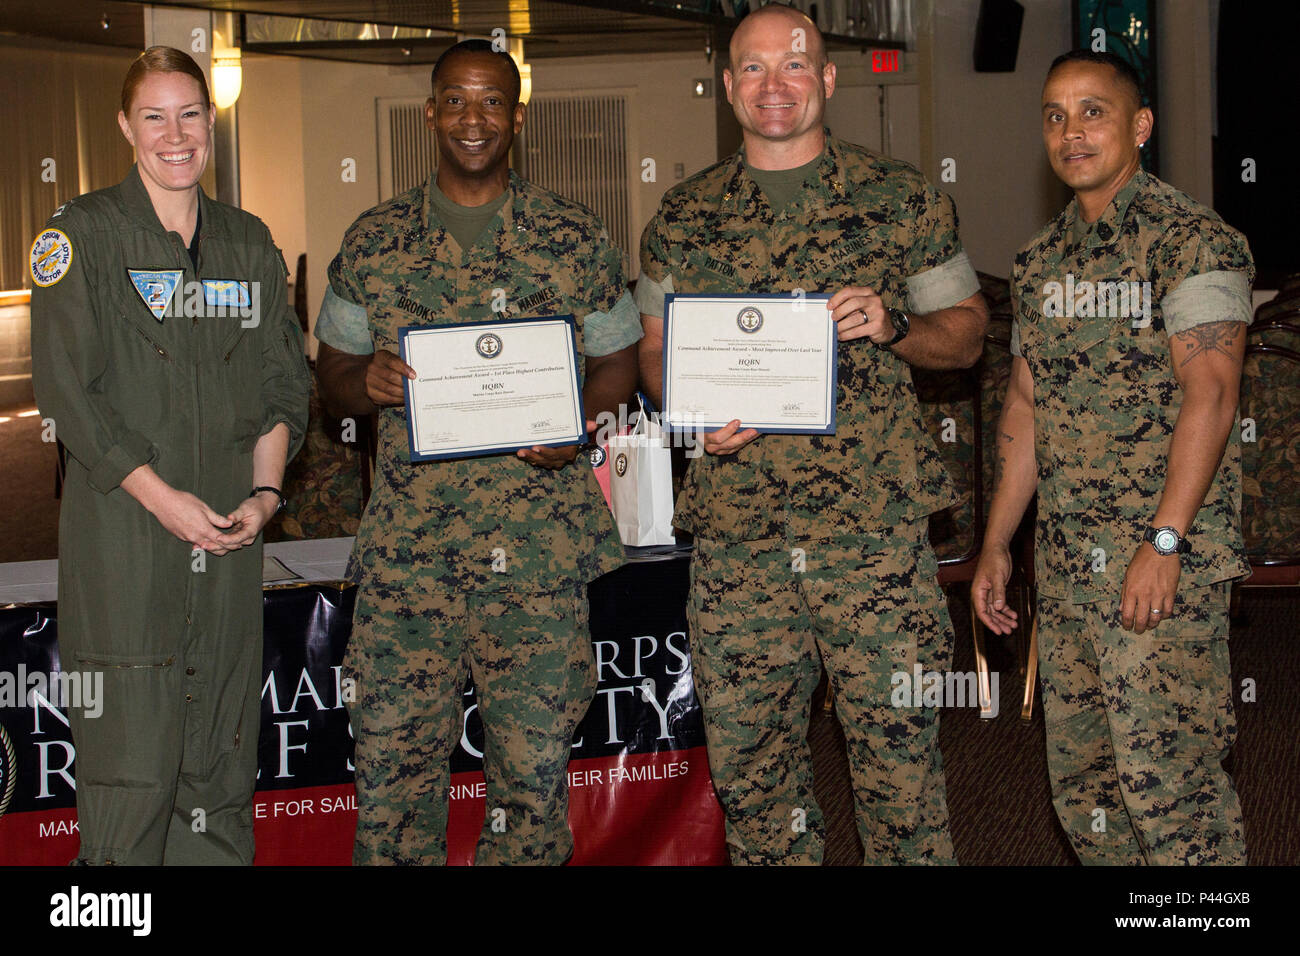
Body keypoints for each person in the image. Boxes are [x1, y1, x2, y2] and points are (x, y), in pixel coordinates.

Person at [635, 4, 987, 865]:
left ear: (828, 78)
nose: (773, 85)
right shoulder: (684, 216)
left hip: (871, 535)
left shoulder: (901, 199)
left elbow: (970, 333)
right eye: (752, 69)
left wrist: (897, 325)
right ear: (727, 88)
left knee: (898, 770)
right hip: (740, 539)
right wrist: (687, 412)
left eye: (793, 66)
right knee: (754, 776)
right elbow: (652, 353)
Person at [315, 39, 641, 865]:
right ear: (431, 112)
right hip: (407, 563)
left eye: (492, 101)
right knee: (391, 781)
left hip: (535, 561)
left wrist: (580, 424)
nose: (473, 118)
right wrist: (369, 383)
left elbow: (619, 363)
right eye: (456, 100)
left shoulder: (571, 236)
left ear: (517, 117)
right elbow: (334, 375)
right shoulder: (377, 239)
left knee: (531, 783)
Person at [29, 46, 310, 865]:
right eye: (154, 116)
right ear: (126, 126)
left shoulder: (248, 245)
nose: (174, 134)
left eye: (190, 114)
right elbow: (69, 400)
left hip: (227, 545)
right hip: (127, 550)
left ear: (210, 123)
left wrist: (264, 498)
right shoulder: (78, 238)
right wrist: (165, 502)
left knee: (219, 771)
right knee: (131, 779)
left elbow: (281, 388)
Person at [972, 50, 1252, 865]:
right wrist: (996, 542)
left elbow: (1213, 393)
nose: (1071, 131)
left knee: (1172, 791)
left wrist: (1163, 543)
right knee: (1086, 789)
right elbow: (1025, 405)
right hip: (1067, 571)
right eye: (1055, 115)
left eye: (1093, 112)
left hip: (1161, 563)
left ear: (1140, 126)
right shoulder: (1038, 260)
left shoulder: (1194, 240)